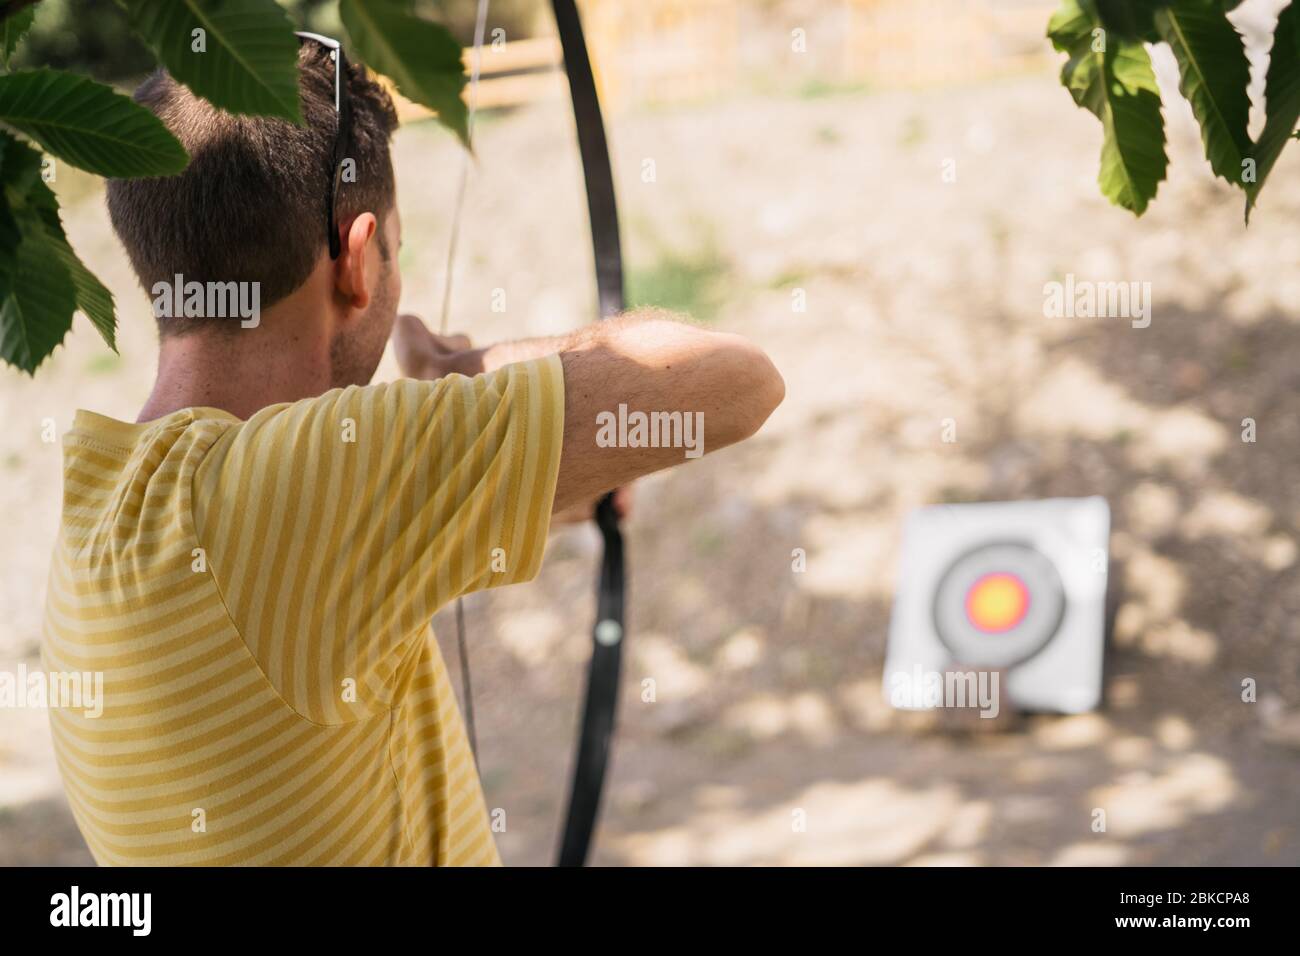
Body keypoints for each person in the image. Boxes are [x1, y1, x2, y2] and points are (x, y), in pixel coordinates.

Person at [43, 41, 783, 866]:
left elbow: (333, 564)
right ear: (357, 259)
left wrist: (547, 475)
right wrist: (465, 376)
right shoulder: (288, 493)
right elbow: (737, 380)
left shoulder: (99, 514)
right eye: (396, 246)